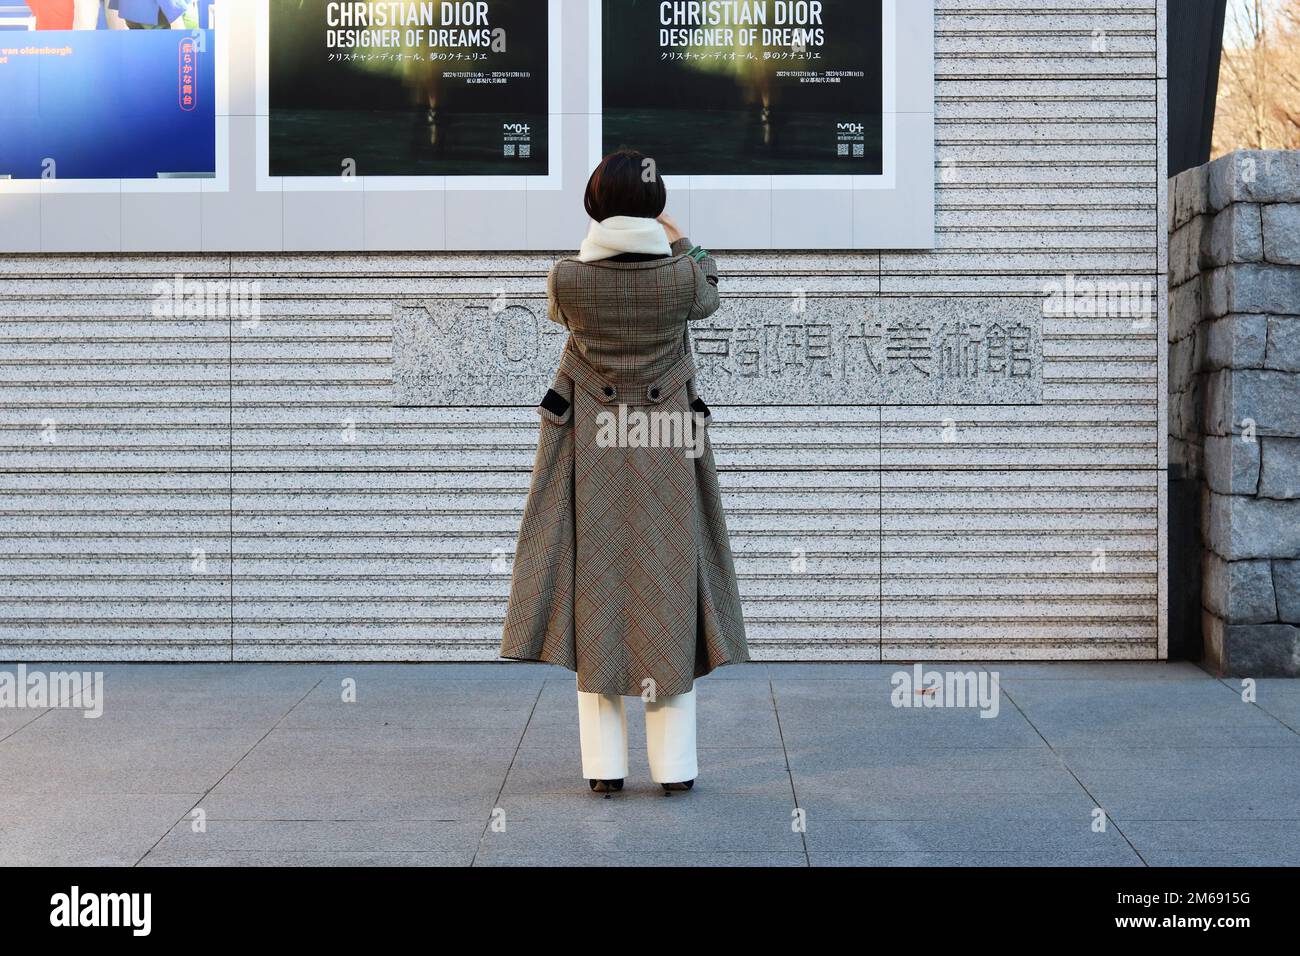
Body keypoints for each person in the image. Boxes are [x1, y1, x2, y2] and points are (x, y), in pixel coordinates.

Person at [500, 149, 750, 795]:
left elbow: (568, 316)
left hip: (595, 448)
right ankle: (676, 770)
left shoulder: (566, 280)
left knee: (599, 591)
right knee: (667, 588)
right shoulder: (680, 280)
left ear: (593, 205)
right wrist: (679, 233)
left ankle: (604, 771)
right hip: (667, 443)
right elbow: (711, 290)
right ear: (652, 202)